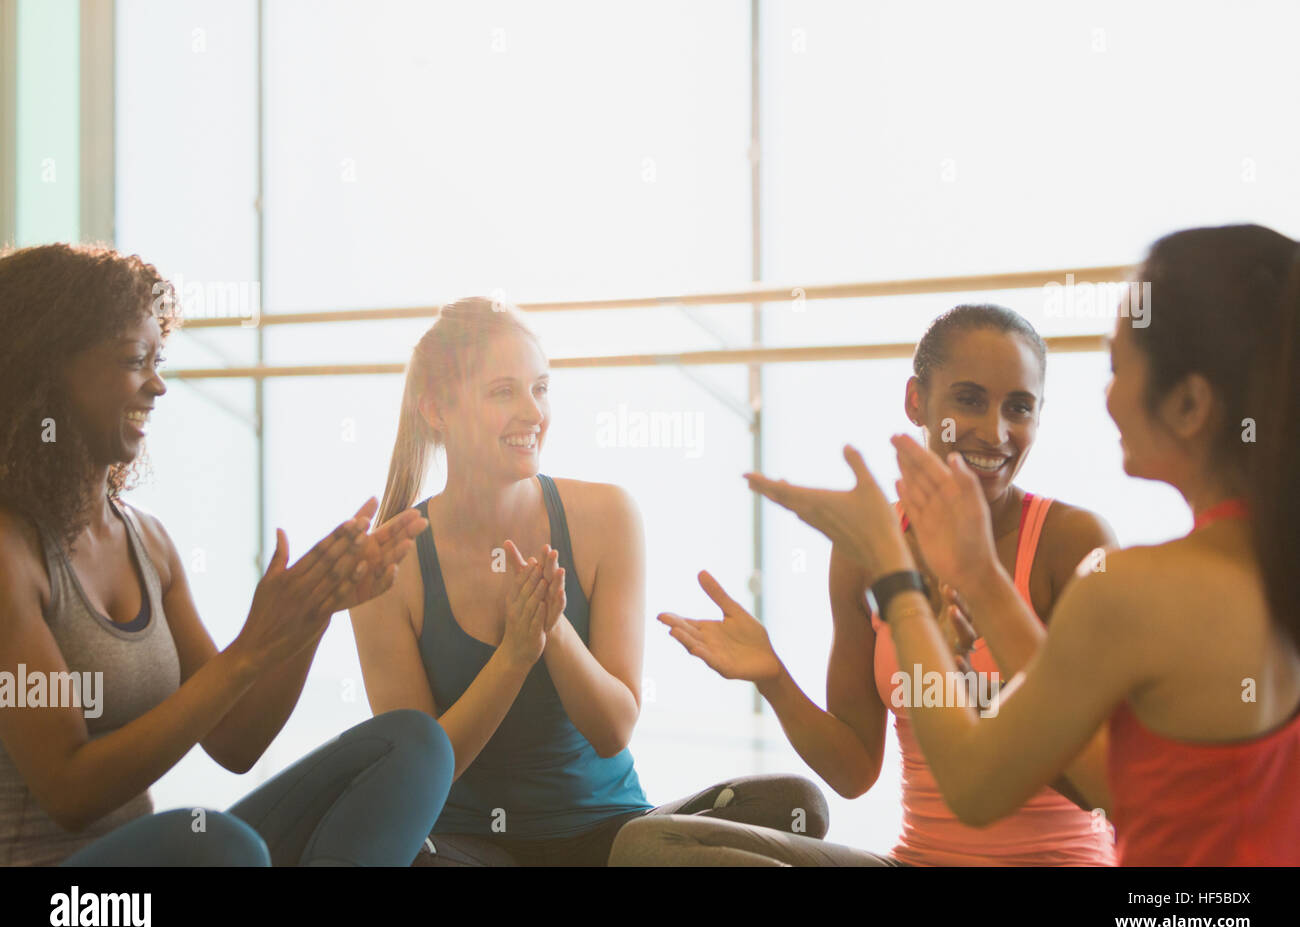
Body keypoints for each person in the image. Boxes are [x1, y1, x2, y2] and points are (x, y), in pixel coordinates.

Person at [741, 224, 1300, 865]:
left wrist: (899, 585)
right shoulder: (1263, 563)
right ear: (916, 401)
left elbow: (978, 786)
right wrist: (977, 576)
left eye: (1117, 367)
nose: (1107, 398)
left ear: (1190, 404)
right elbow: (1111, 776)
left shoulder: (1134, 583)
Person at [613, 305, 1118, 865]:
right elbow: (854, 770)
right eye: (970, 400)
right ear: (916, 401)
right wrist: (773, 676)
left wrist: (972, 689)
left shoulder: (1071, 542)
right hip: (916, 859)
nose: (995, 432)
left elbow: (1108, 784)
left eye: (1019, 408)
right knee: (652, 844)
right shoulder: (870, 546)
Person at [0, 243, 452, 866]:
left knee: (412, 747)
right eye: (136, 360)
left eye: (159, 360)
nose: (157, 386)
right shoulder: (9, 553)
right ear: (48, 369)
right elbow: (69, 792)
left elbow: (236, 741)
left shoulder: (148, 544)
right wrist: (250, 650)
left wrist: (312, 612)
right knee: (219, 847)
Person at [350, 296, 828, 866]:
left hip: (612, 836)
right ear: (436, 410)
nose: (533, 412)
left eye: (541, 388)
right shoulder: (388, 566)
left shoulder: (608, 516)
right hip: (468, 848)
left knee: (795, 803)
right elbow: (420, 775)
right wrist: (514, 656)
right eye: (504, 391)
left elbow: (613, 729)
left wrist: (555, 632)